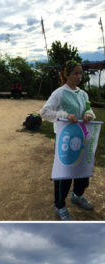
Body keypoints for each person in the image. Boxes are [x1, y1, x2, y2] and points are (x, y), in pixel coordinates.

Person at [39, 61, 96, 220]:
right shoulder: (59, 93)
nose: (79, 76)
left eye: (80, 73)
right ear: (66, 75)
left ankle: (77, 195)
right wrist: (64, 115)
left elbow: (88, 109)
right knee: (64, 173)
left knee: (82, 171)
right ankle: (60, 206)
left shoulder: (83, 94)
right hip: (65, 139)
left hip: (82, 137)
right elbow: (44, 112)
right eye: (75, 73)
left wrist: (89, 114)